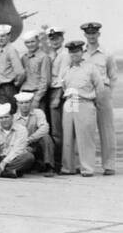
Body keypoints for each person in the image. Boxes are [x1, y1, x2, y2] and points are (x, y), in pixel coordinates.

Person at [60, 39, 106, 176]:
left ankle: (87, 168)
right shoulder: (66, 69)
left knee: (85, 137)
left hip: (84, 101)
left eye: (77, 51)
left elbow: (100, 87)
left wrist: (95, 102)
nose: (74, 54)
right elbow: (63, 87)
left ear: (82, 52)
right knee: (68, 137)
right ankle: (68, 168)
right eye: (72, 52)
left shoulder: (90, 67)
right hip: (69, 102)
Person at [80, 21, 116, 175]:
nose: (91, 36)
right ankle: (86, 166)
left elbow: (113, 76)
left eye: (94, 33)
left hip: (103, 92)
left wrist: (106, 93)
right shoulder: (81, 53)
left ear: (98, 34)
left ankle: (109, 165)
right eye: (88, 34)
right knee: (85, 129)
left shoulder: (106, 54)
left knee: (106, 129)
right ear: (85, 35)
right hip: (86, 93)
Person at [0, 104, 34, 178]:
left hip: (13, 159)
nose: (4, 120)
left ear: (12, 117)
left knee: (29, 157)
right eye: (1, 118)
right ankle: (8, 172)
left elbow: (17, 150)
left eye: (6, 117)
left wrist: (3, 164)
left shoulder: (21, 129)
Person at [14, 91, 55, 174]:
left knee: (46, 137)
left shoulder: (38, 113)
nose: (24, 105)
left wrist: (30, 139)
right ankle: (33, 166)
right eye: (21, 103)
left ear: (31, 103)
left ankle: (49, 166)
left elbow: (44, 128)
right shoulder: (14, 118)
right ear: (17, 104)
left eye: (27, 102)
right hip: (24, 146)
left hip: (36, 143)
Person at [0, 24, 25, 106]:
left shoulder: (11, 50)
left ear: (9, 36)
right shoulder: (1, 51)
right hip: (1, 88)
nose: (0, 39)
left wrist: (15, 84)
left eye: (3, 36)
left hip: (9, 87)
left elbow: (20, 72)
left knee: (10, 112)